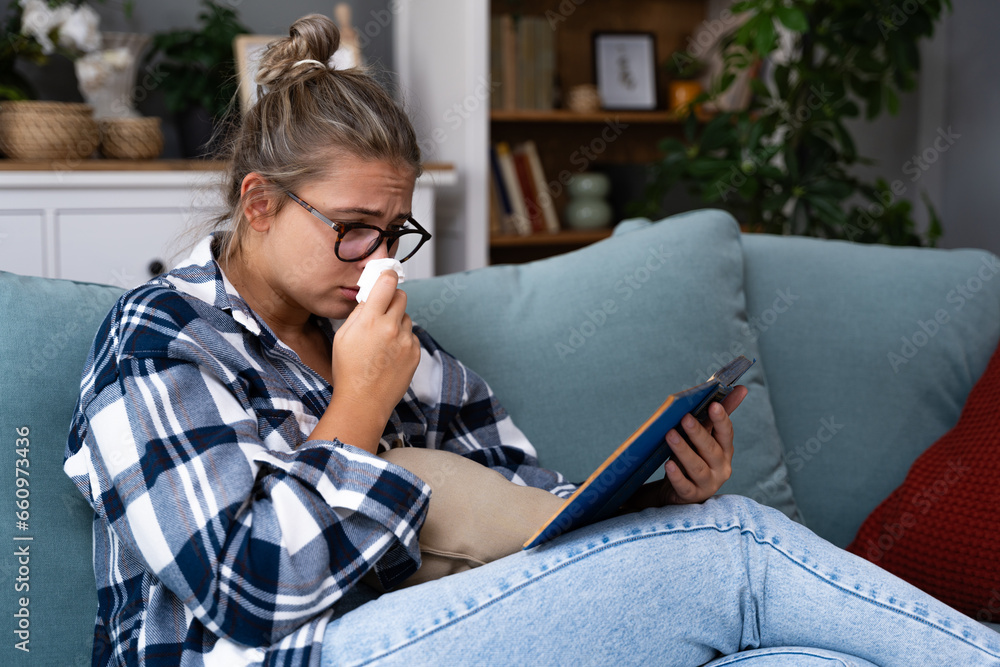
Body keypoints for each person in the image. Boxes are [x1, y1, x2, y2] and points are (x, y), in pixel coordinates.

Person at [63, 14, 1000, 667]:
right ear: (259, 202)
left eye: (395, 233)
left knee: (762, 617)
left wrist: (655, 496)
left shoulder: (388, 337)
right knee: (735, 552)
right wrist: (358, 406)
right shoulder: (160, 341)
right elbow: (245, 586)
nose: (378, 260)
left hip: (427, 626)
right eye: (353, 228)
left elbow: (538, 513)